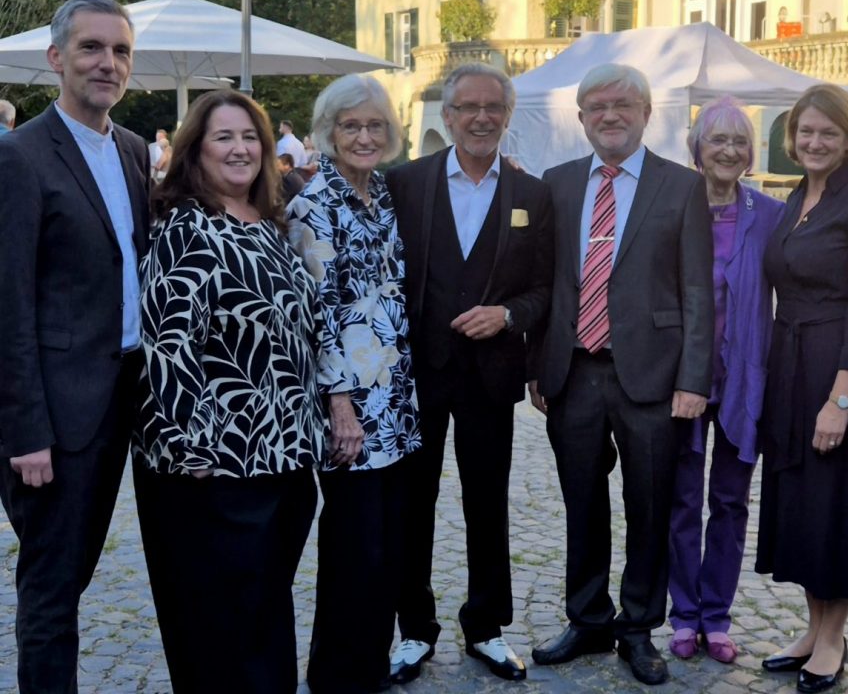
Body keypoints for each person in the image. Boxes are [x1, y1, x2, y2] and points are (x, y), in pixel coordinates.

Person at [133, 89, 328, 694]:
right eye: (224, 137)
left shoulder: (268, 224)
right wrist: (190, 446)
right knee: (219, 626)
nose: (241, 148)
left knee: (264, 614)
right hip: (215, 467)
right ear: (195, 148)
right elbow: (167, 342)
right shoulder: (188, 228)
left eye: (251, 137)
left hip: (283, 456)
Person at [529, 63, 714, 687]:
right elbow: (545, 283)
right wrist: (539, 364)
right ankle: (586, 618)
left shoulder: (682, 186)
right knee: (581, 503)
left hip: (654, 377)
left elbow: (696, 290)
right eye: (597, 106)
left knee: (650, 505)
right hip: (574, 371)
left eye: (623, 104)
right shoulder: (556, 185)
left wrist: (694, 380)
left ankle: (637, 628)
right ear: (581, 118)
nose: (610, 115)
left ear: (645, 112)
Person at [385, 63, 553, 684]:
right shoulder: (403, 183)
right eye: (468, 107)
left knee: (489, 504)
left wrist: (509, 314)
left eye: (493, 107)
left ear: (507, 115)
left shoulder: (532, 195)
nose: (481, 117)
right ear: (447, 116)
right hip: (418, 373)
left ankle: (485, 626)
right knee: (413, 502)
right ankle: (413, 629)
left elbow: (543, 289)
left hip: (491, 375)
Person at [0, 0, 149, 692]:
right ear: (56, 59)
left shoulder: (134, 151)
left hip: (123, 400)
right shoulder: (20, 157)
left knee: (76, 570)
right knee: (51, 590)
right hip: (54, 419)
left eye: (119, 51)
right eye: (91, 48)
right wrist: (24, 431)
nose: (107, 63)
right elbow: (8, 307)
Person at [756, 84, 848, 693]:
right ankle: (813, 629)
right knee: (803, 509)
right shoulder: (796, 198)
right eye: (806, 132)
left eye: (828, 134)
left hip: (838, 375)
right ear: (792, 138)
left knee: (836, 508)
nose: (814, 143)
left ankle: (834, 638)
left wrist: (840, 399)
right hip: (789, 367)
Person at [287, 75, 421, 694]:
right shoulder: (315, 205)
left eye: (374, 126)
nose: (364, 137)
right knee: (354, 550)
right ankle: (339, 677)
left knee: (387, 547)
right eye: (351, 126)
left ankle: (364, 666)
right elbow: (317, 314)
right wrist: (340, 407)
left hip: (394, 401)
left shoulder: (384, 194)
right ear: (328, 134)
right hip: (350, 412)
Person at [667, 97, 784, 664]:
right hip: (684, 379)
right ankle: (682, 615)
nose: (730, 151)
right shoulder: (673, 207)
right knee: (682, 501)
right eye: (718, 140)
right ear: (697, 148)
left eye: (740, 142)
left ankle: (716, 616)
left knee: (731, 501)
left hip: (744, 380)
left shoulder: (769, 214)